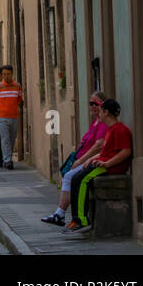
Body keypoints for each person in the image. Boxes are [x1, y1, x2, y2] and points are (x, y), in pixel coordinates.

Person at [41, 92, 108, 227]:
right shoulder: (96, 122)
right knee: (68, 176)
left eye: (96, 104)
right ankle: (62, 214)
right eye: (91, 103)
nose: (92, 106)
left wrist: (81, 160)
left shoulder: (103, 123)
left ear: (103, 106)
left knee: (71, 177)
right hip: (82, 159)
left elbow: (99, 145)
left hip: (89, 160)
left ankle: (68, 216)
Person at [67, 99, 132, 233]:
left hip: (110, 167)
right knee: (75, 178)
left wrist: (107, 163)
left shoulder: (120, 130)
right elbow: (105, 152)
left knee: (81, 180)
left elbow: (126, 151)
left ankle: (81, 220)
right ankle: (77, 219)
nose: (99, 113)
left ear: (106, 112)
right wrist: (90, 159)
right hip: (102, 163)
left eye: (101, 110)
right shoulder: (110, 130)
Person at [0, 64, 23, 169]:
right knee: (5, 138)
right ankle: (8, 161)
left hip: (14, 116)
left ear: (12, 74)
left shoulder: (17, 85)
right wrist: (1, 107)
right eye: (4, 74)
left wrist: (13, 106)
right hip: (2, 116)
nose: (6, 76)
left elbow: (19, 98)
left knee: (12, 138)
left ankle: (8, 157)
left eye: (8, 74)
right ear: (2, 75)